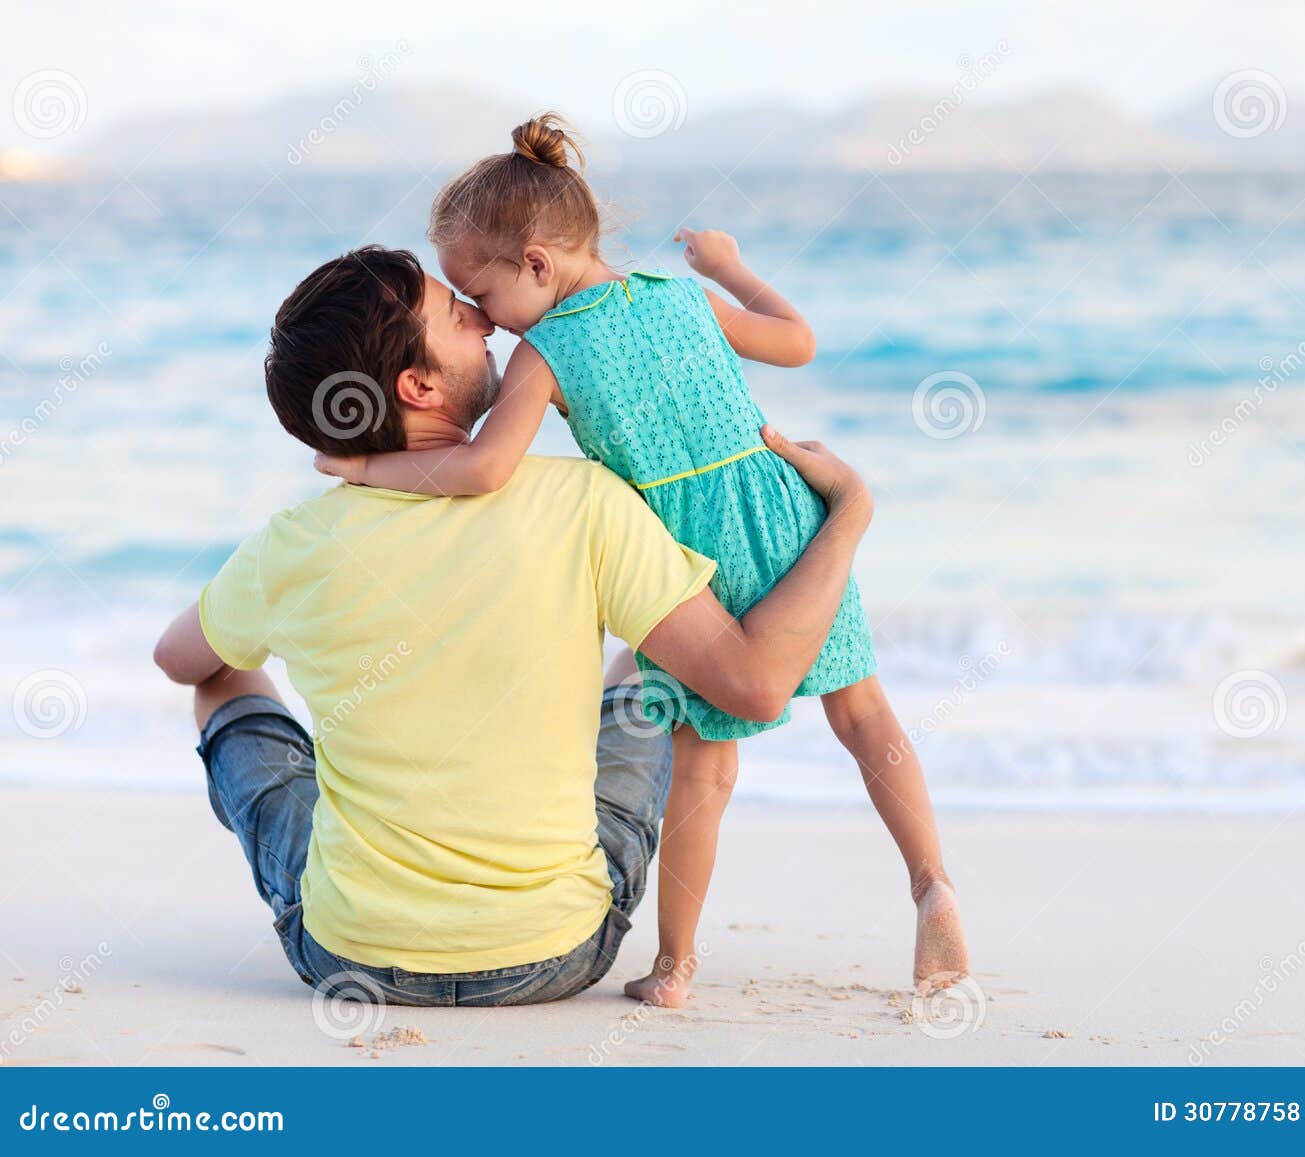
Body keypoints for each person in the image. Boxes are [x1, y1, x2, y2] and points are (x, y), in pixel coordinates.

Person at [314, 113, 969, 1005]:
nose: (490, 325)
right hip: (786, 510)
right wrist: (728, 265)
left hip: (683, 557)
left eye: (486, 298)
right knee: (864, 716)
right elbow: (798, 340)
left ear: (537, 264)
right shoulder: (681, 295)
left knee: (703, 765)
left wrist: (364, 462)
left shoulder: (545, 350)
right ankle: (931, 879)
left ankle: (675, 966)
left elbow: (483, 467)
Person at [153, 244, 874, 1007]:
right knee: (649, 661)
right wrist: (850, 512)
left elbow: (177, 658)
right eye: (455, 315)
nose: (485, 319)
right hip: (561, 952)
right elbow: (758, 687)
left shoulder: (291, 545)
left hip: (355, 959)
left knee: (221, 681)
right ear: (417, 383)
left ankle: (376, 880)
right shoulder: (582, 501)